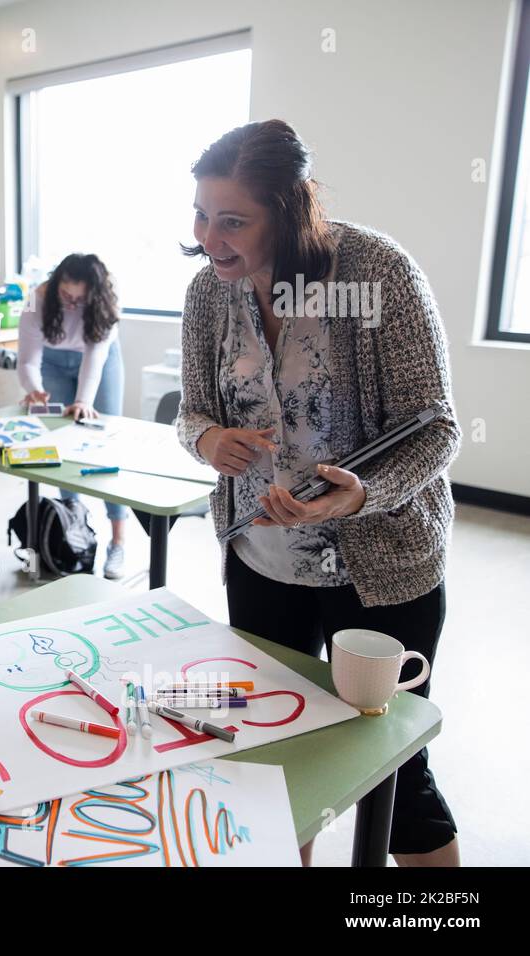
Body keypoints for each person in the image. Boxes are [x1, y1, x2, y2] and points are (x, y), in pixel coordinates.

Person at [176, 119, 461, 866]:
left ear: (291, 207)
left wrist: (360, 492)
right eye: (202, 214)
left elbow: (435, 428)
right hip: (262, 558)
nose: (210, 238)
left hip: (383, 565)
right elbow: (192, 411)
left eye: (233, 220)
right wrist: (209, 440)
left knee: (392, 767)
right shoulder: (211, 291)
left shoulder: (376, 272)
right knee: (272, 755)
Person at [17, 253, 128, 578]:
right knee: (60, 444)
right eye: (66, 295)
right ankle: (75, 529)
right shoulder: (36, 299)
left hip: (101, 361)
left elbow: (95, 360)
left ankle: (118, 542)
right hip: (51, 360)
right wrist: (34, 389)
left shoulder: (108, 303)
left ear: (94, 294)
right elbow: (27, 360)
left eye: (80, 299)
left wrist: (82, 401)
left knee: (104, 444)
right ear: (56, 285)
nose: (72, 303)